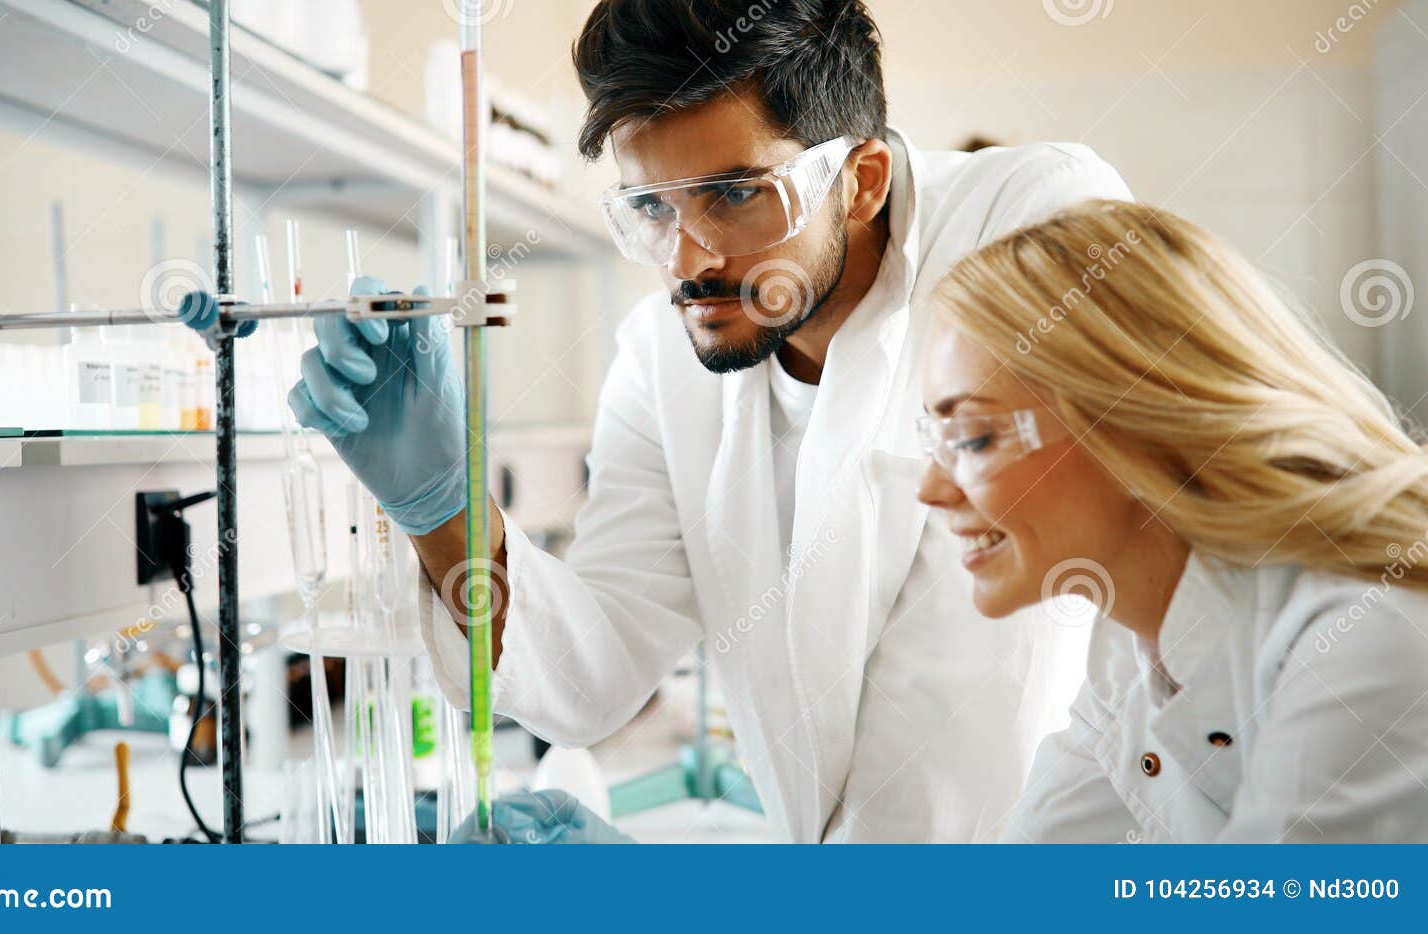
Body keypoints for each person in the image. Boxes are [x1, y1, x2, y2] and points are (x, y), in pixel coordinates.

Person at [290, 0, 1129, 842]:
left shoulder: (1031, 222)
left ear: (862, 181)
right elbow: (592, 673)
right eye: (652, 207)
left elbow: (970, 719)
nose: (688, 262)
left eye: (734, 194)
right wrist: (446, 513)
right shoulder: (660, 361)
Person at [915, 199, 1428, 842]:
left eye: (975, 439)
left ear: (1133, 426)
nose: (930, 490)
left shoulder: (1368, 636)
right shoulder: (1128, 644)